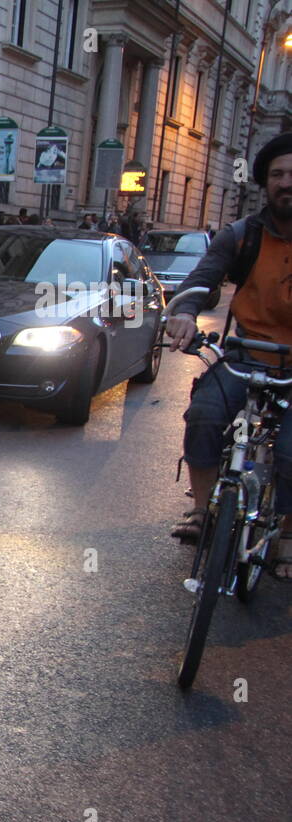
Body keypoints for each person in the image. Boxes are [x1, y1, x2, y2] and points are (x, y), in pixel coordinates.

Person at [165, 132, 292, 578]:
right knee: (204, 412)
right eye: (277, 174)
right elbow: (202, 280)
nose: (286, 182)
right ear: (265, 183)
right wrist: (183, 312)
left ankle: (289, 535)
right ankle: (202, 509)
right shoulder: (242, 236)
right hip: (247, 353)